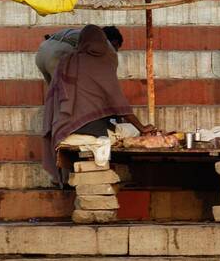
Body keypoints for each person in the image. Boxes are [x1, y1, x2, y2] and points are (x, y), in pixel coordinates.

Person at [42, 25, 154, 186]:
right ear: (104, 43)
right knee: (130, 131)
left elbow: (53, 99)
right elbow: (119, 104)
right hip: (92, 129)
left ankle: (61, 179)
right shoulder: (104, 63)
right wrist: (142, 127)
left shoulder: (66, 61)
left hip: (62, 127)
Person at [36, 25, 123, 85]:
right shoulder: (104, 43)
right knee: (65, 98)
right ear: (114, 42)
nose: (115, 51)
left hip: (42, 51)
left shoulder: (84, 34)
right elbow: (109, 78)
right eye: (116, 47)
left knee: (54, 96)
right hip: (58, 54)